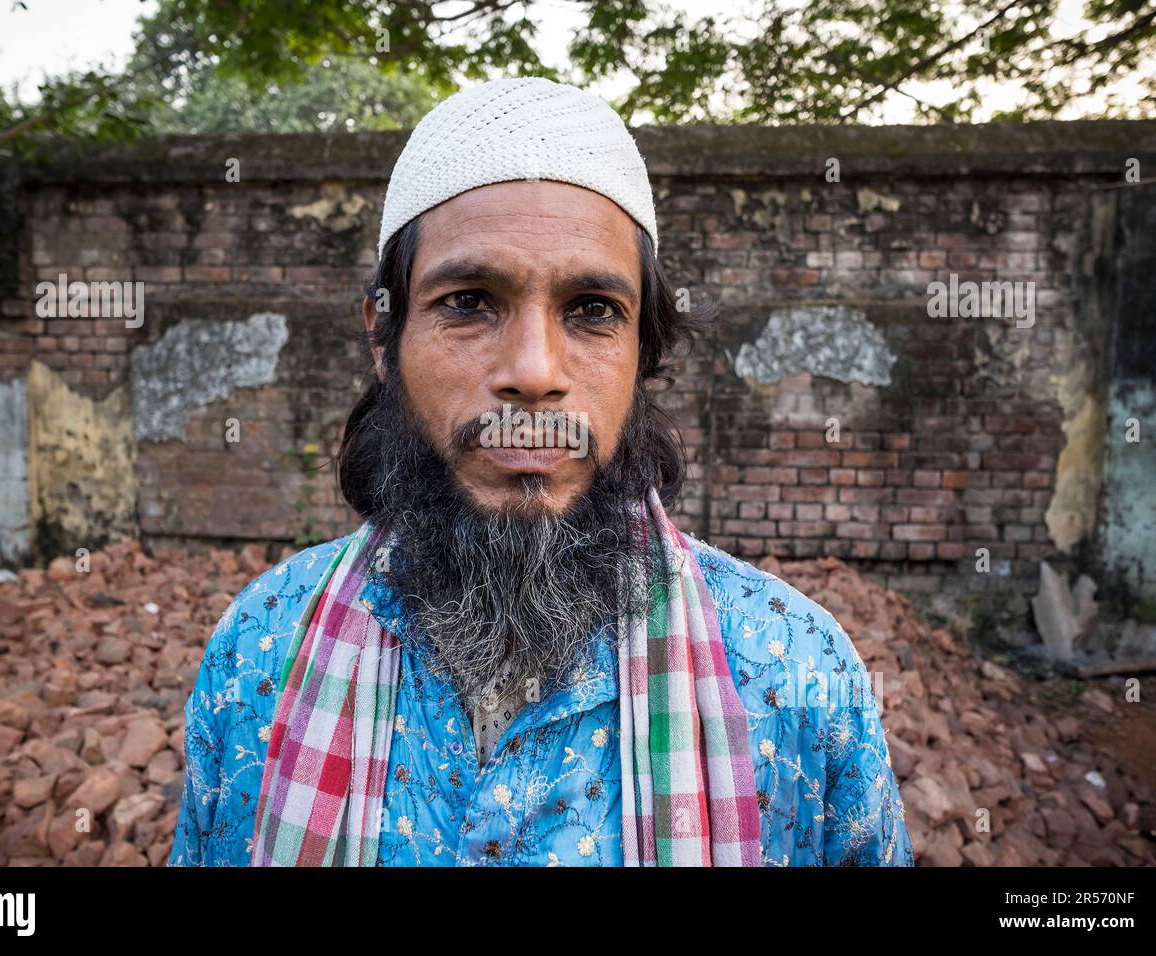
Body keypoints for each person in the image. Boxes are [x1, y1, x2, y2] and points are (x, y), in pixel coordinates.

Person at [170, 76, 913, 867]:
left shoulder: (794, 670)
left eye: (592, 309)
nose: (533, 371)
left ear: (642, 352)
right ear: (383, 338)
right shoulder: (260, 647)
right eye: (468, 302)